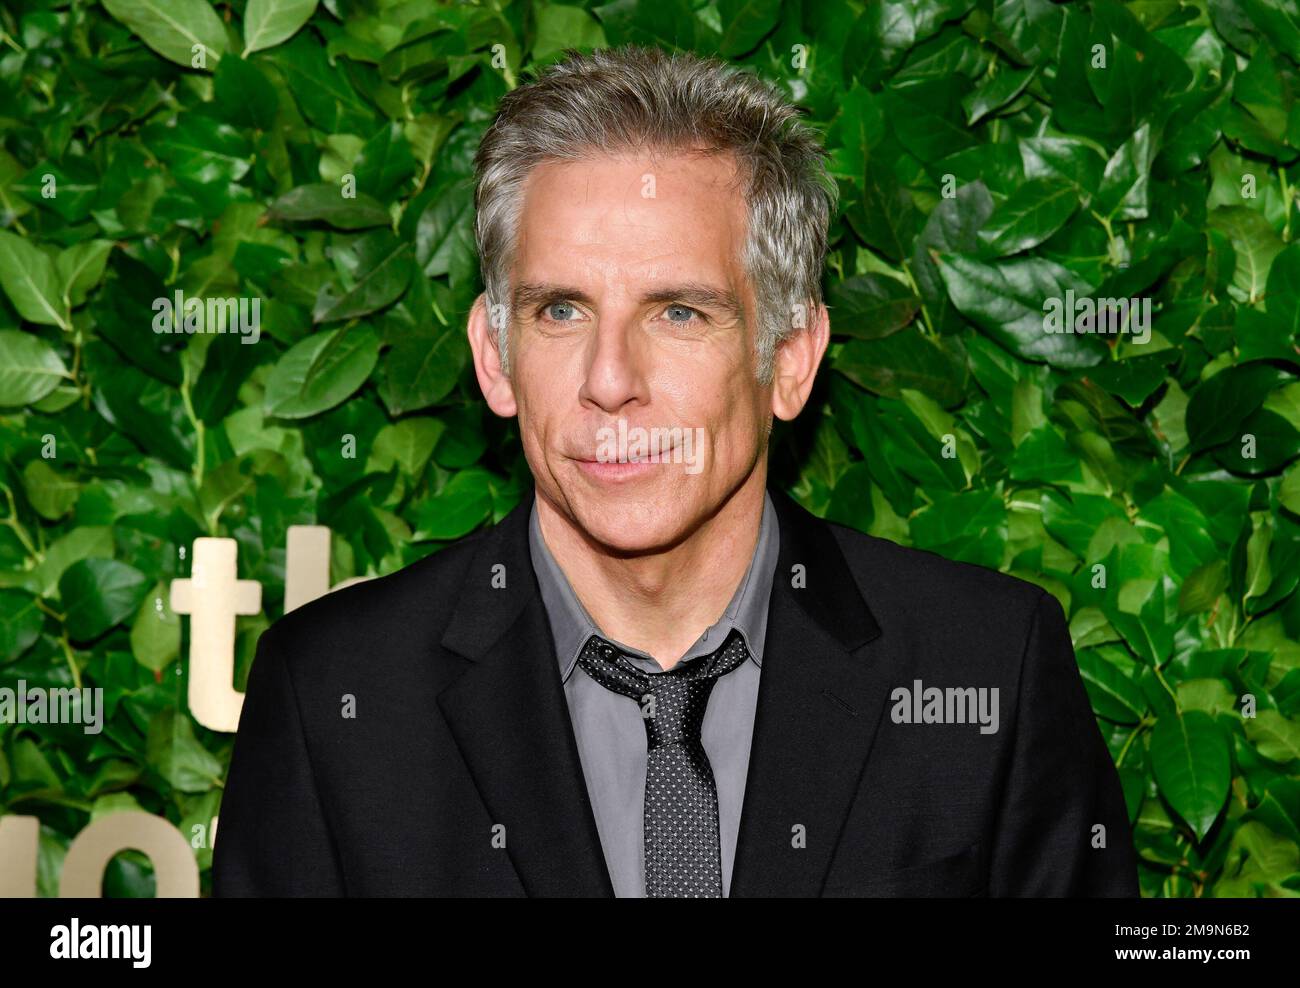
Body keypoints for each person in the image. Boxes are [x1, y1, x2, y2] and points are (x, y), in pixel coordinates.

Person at [212, 44, 1139, 897]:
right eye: (561, 312)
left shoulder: (985, 668)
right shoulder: (335, 699)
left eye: (680, 314)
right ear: (495, 360)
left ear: (790, 360)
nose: (610, 382)